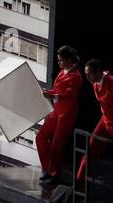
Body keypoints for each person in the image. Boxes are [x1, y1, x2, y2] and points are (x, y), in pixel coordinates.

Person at [76, 60, 113, 185]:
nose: (87, 77)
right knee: (90, 151)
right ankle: (78, 186)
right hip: (105, 121)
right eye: (86, 74)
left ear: (99, 72)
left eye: (90, 74)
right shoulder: (95, 84)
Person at [37, 46, 82, 184]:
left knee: (56, 146)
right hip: (56, 111)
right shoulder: (62, 72)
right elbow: (58, 90)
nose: (59, 63)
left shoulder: (76, 77)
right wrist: (49, 91)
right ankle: (47, 169)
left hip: (67, 114)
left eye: (61, 60)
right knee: (41, 137)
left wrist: (51, 93)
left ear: (69, 60)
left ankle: (56, 174)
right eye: (58, 60)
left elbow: (68, 93)